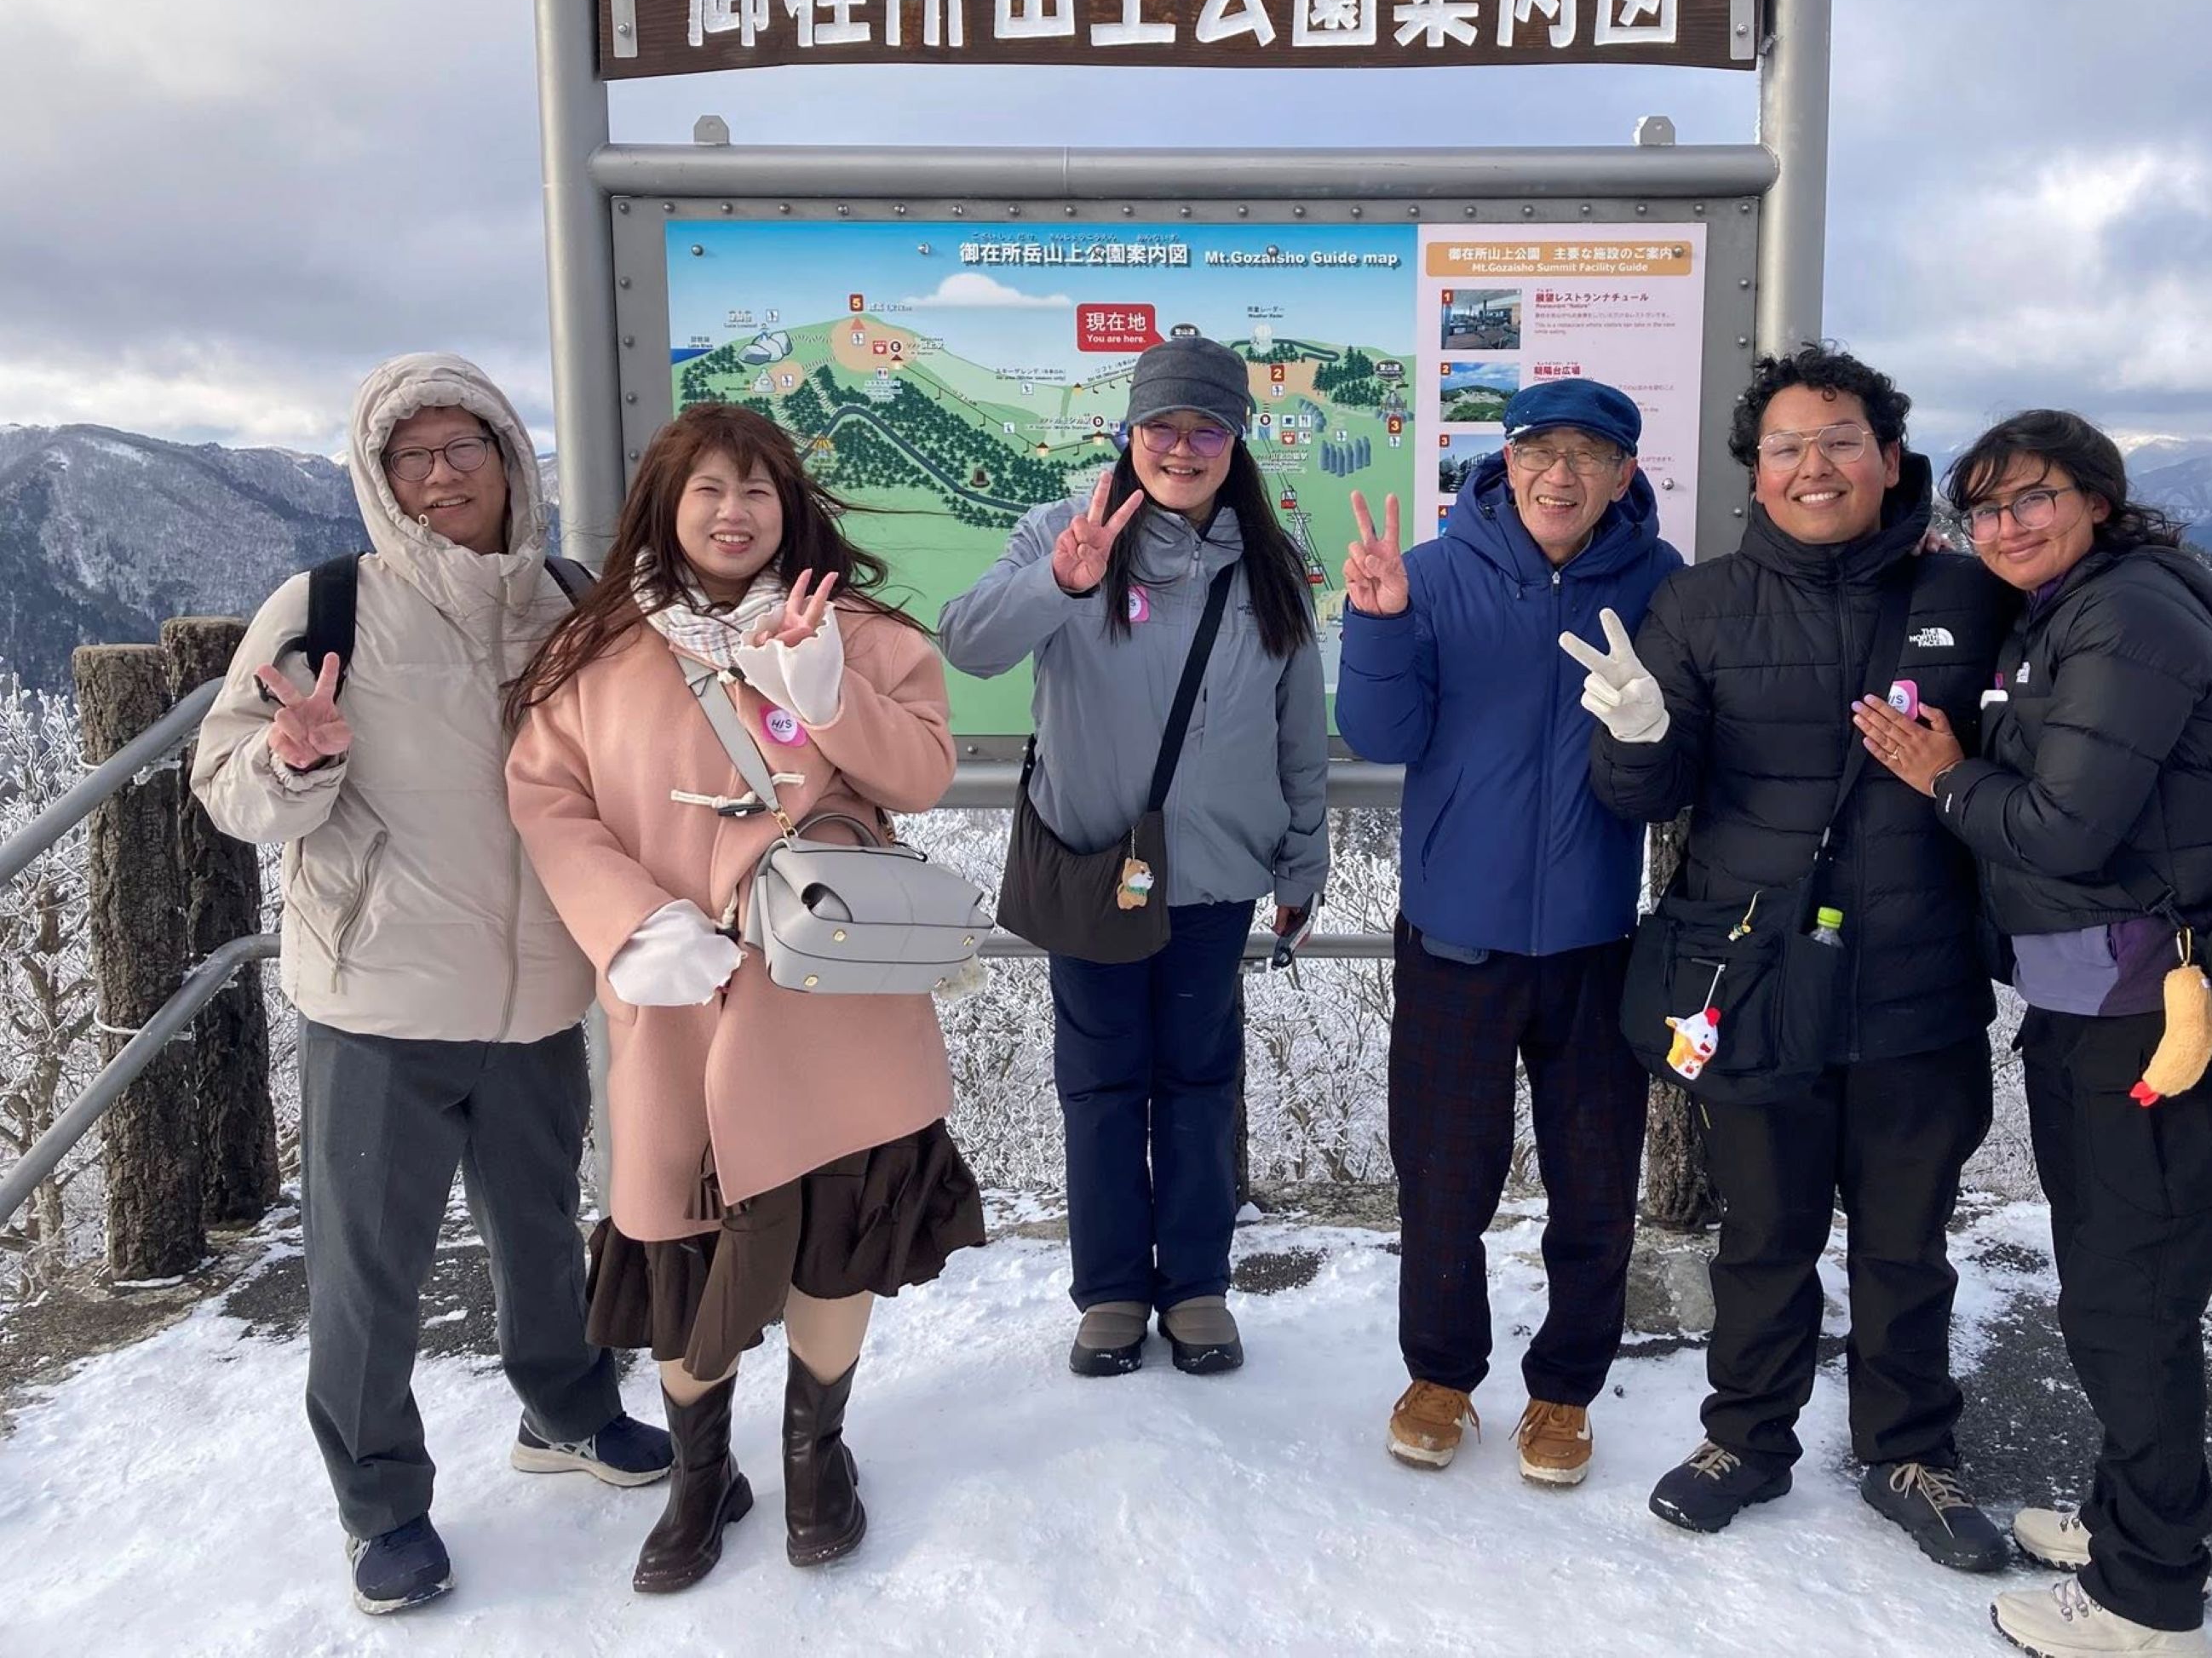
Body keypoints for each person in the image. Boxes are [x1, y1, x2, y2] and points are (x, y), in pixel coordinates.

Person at [192, 353, 669, 1616]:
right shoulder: (324, 602)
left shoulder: (571, 599)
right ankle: (382, 1506)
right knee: (371, 1270)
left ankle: (565, 1412)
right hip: (382, 998)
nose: (444, 473)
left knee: (541, 1229)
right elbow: (227, 780)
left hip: (538, 992)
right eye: (414, 456)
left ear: (513, 460)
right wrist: (296, 759)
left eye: (468, 447)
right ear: (380, 479)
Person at [505, 404, 985, 1594]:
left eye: (758, 489)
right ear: (663, 507)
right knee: (677, 1245)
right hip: (680, 1008)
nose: (733, 510)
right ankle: (696, 1472)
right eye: (708, 488)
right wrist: (629, 923)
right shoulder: (594, 653)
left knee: (839, 1238)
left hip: (836, 1009)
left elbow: (923, 772)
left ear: (790, 505)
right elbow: (547, 801)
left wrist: (827, 690)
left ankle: (816, 1453)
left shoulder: (858, 631)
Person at [1581, 346, 2014, 1568]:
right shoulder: (1702, 603)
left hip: (1917, 977)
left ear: (1887, 456)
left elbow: (2035, 751)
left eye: (1838, 440)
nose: (1813, 465)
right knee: (1761, 1229)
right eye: (1786, 446)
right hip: (1758, 975)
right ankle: (1746, 1437)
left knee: (1906, 1238)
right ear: (1754, 474)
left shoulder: (1972, 600)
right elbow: (1648, 792)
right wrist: (1634, 732)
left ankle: (1911, 1450)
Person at [1852, 409, 2212, 1658]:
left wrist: (1941, 777)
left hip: (2147, 1008)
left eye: (2031, 498)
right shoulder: (2087, 602)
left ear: (2096, 495)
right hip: (2104, 992)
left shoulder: (2126, 615)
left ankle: (2149, 1601)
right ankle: (2128, 1521)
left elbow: (2071, 830)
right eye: (1984, 510)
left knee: (2126, 1303)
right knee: (2121, 1285)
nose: (2006, 527)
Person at [940, 336, 1329, 1379]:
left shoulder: (1269, 562)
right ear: (1130, 432)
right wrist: (1062, 586)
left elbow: (1299, 727)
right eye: (1163, 425)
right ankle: (1111, 1290)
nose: (1184, 447)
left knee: (1200, 1084)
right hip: (1096, 867)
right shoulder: (1062, 533)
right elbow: (967, 641)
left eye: (1208, 427)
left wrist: (1303, 862)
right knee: (1103, 1087)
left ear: (1237, 438)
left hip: (1216, 872)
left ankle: (1196, 1285)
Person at [1335, 377, 1682, 1487]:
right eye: (1542, 449)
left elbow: (1668, 784)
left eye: (1592, 454)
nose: (1562, 474)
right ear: (1507, 460)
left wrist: (1651, 726)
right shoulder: (1432, 576)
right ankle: (1441, 1373)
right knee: (1443, 1175)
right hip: (1454, 939)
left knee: (1594, 1181)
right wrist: (1379, 620)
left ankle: (1564, 1389)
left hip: (1592, 940)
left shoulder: (1664, 590)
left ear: (1625, 475)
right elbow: (1379, 731)